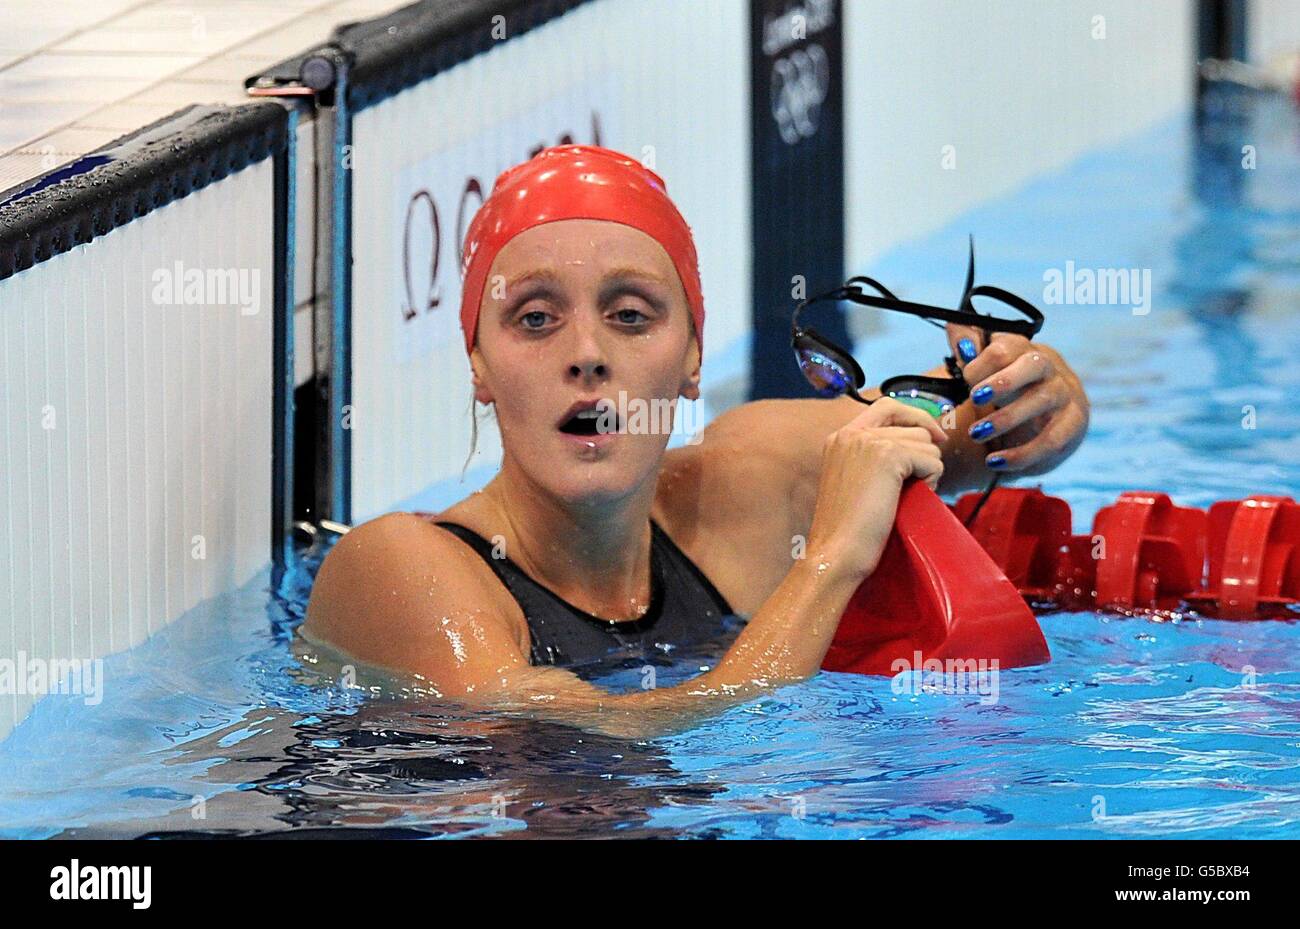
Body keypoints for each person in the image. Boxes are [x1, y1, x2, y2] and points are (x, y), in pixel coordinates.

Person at [304, 145, 1090, 738]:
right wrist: (829, 562)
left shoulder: (746, 477)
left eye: (631, 314)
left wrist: (1042, 393)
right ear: (478, 363)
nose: (586, 353)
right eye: (536, 318)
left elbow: (965, 424)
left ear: (691, 360)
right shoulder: (400, 567)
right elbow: (604, 741)